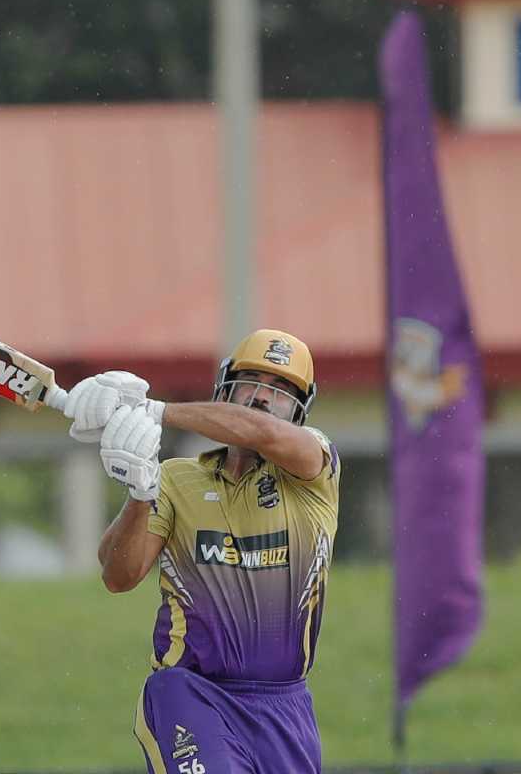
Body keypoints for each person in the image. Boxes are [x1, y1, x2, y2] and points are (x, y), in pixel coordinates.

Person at [64, 329, 341, 774]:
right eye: (251, 382)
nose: (263, 397)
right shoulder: (176, 479)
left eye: (282, 391)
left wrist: (154, 410)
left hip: (286, 706)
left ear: (299, 411)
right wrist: (141, 492)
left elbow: (262, 432)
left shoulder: (315, 469)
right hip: (191, 694)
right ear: (224, 389)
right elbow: (118, 575)